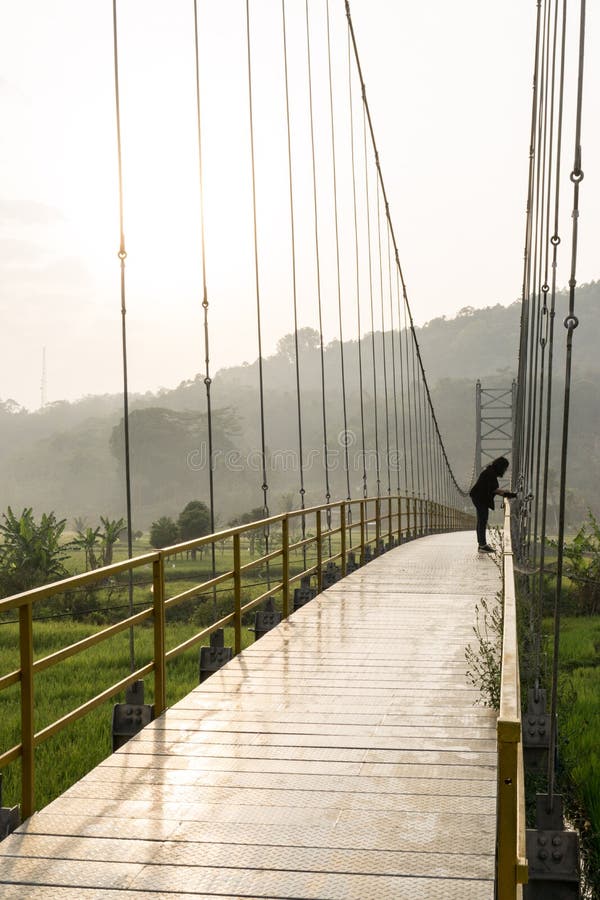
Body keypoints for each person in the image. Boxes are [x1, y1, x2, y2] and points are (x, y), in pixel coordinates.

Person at [469, 456, 516, 552]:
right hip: (480, 499)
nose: (505, 471)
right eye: (505, 468)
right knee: (482, 520)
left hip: (478, 498)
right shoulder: (490, 474)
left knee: (481, 521)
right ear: (501, 467)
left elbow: (493, 489)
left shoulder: (489, 472)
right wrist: (509, 494)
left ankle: (481, 544)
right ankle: (482, 545)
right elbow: (495, 490)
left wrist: (506, 493)